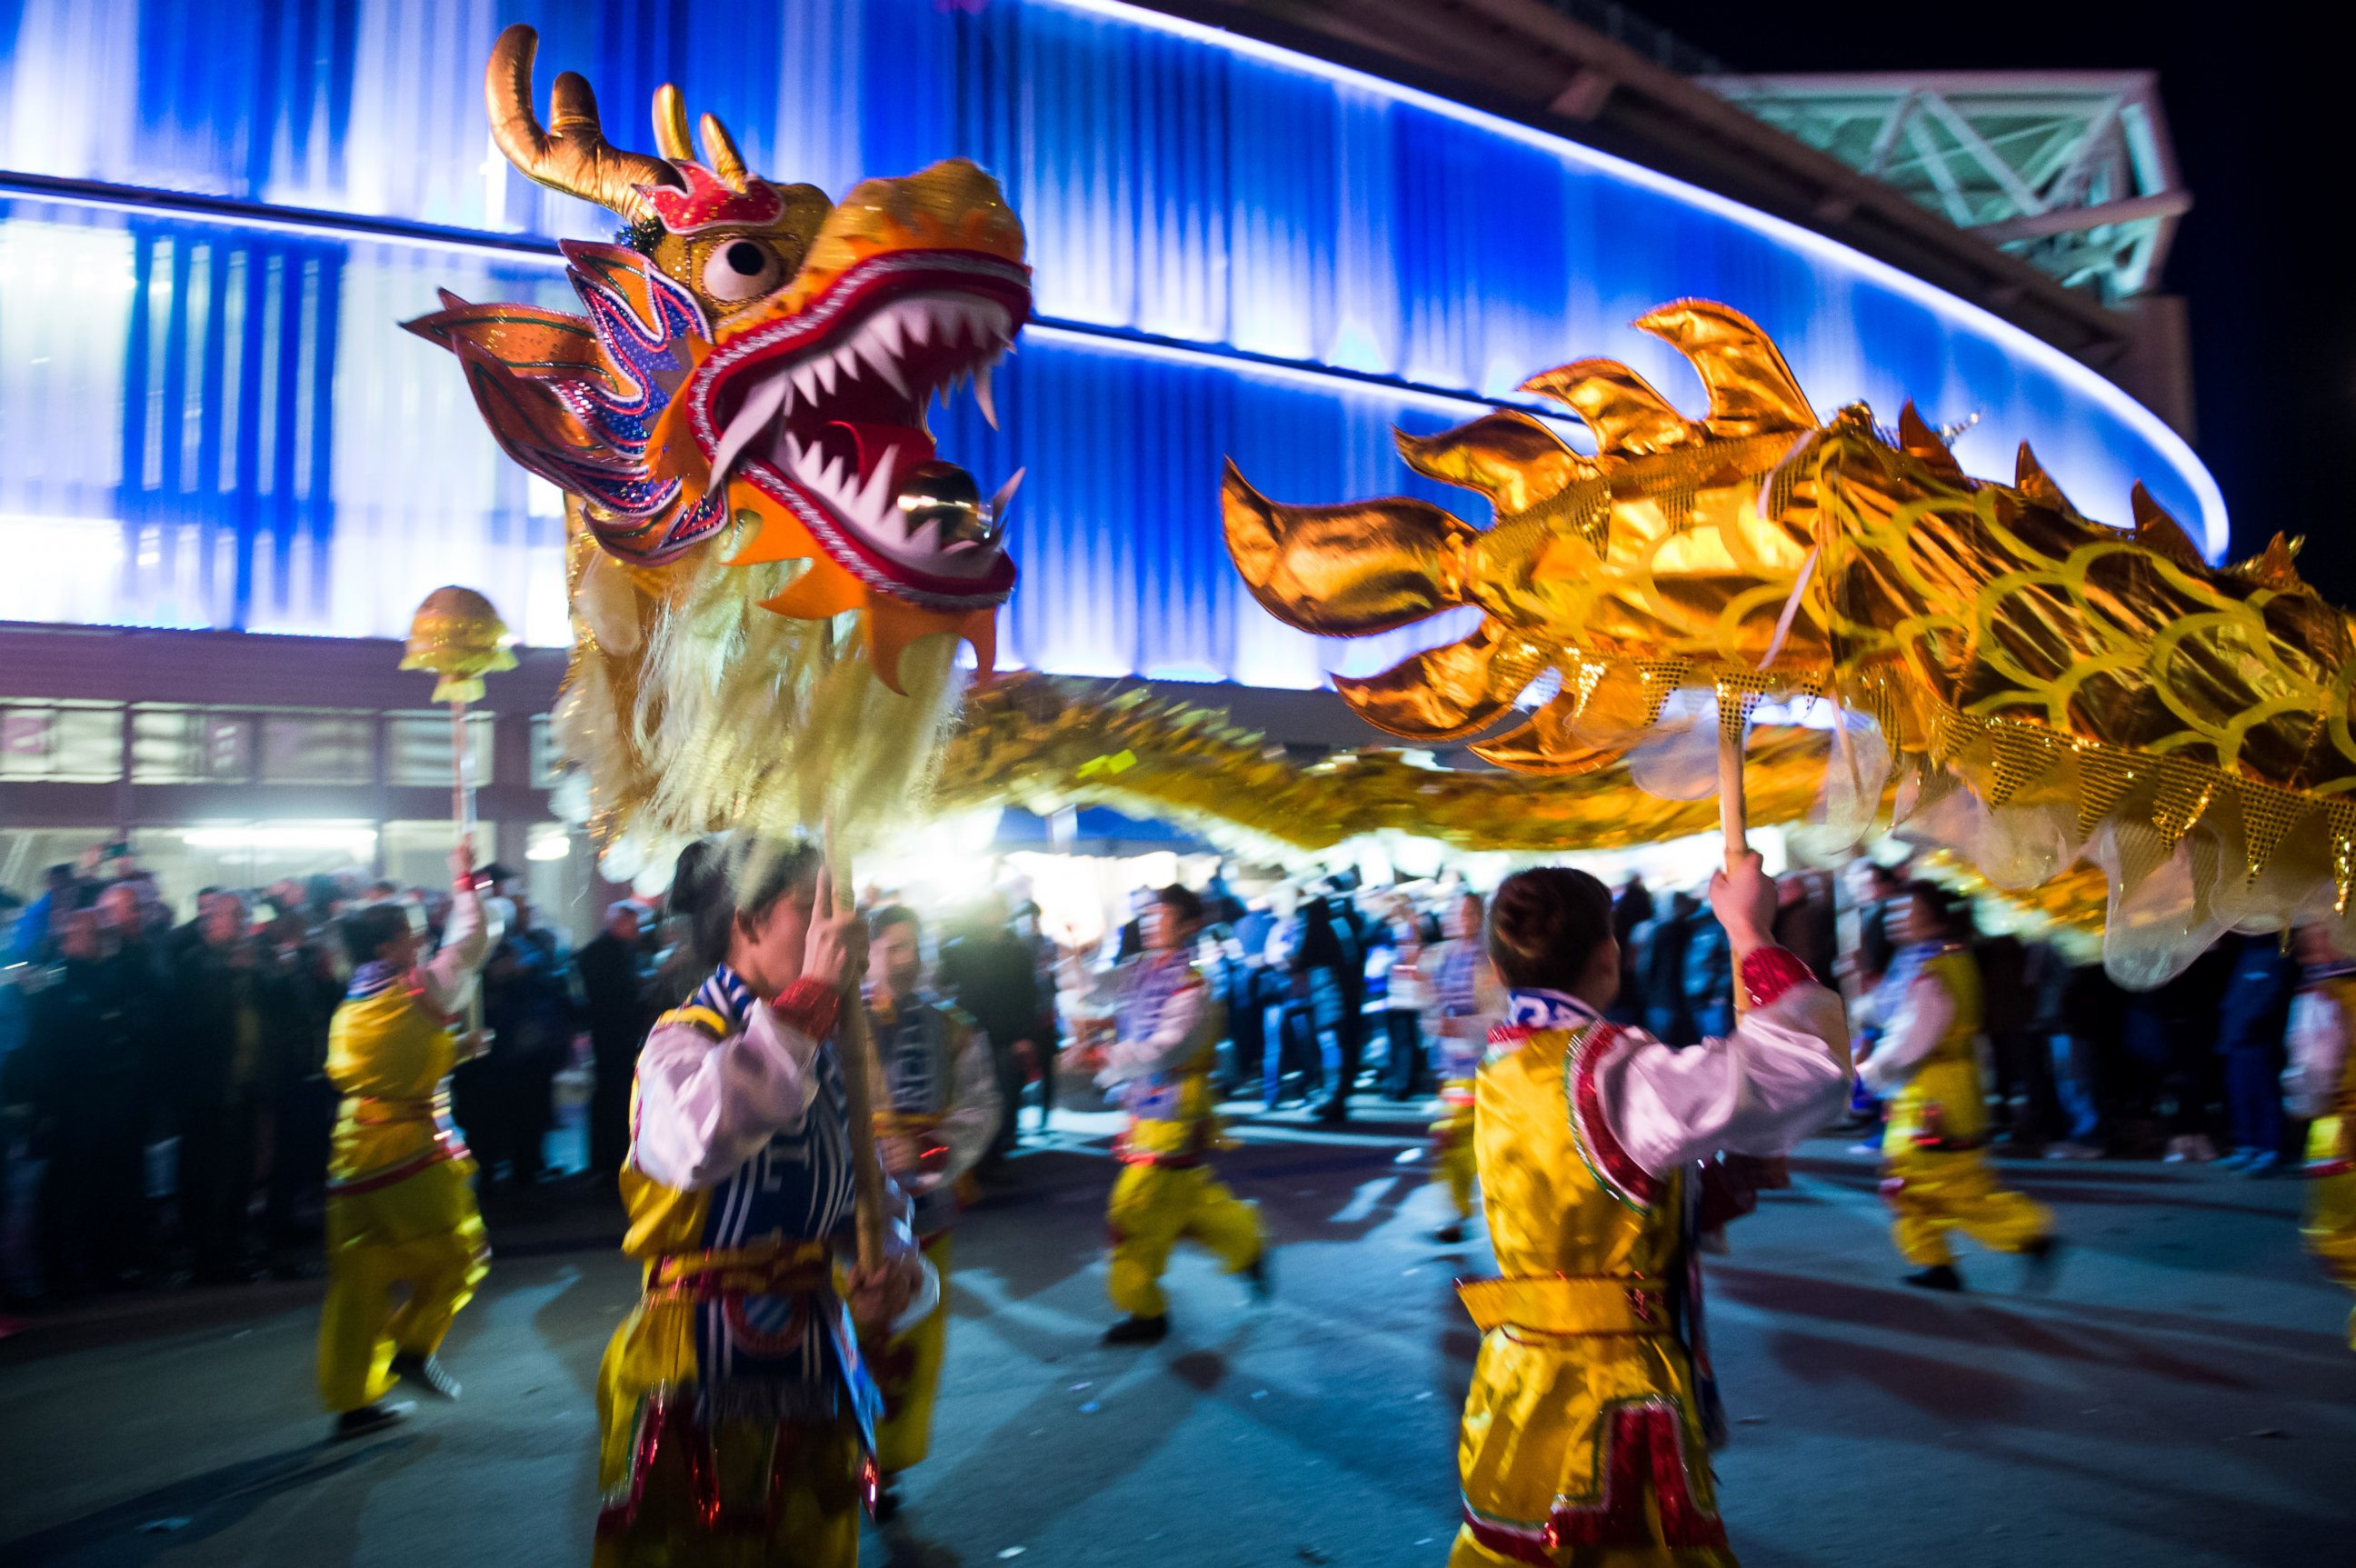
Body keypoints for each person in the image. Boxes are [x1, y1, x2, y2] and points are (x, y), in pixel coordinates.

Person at [1450, 856, 1851, 1568]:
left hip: (1516, 1382)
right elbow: (1804, 1067)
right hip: (1608, 1392)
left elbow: (1592, 1196)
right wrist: (1752, 932)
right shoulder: (1612, 1069)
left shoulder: (1501, 1065)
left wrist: (1715, 1182)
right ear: (1610, 956)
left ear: (1499, 964)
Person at [594, 837, 920, 1568]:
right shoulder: (679, 1043)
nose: (843, 930)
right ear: (746, 923)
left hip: (814, 1361)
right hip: (699, 1372)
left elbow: (866, 1190)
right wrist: (806, 1011)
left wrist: (891, 1255)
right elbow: (701, 1140)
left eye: (846, 910)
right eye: (814, 910)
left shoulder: (823, 1049)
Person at [316, 846, 496, 1438]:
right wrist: (466, 877)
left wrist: (452, 1050)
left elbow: (390, 1062)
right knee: (459, 1255)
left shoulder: (353, 1006)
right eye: (412, 934)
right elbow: (472, 940)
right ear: (386, 946)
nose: (422, 941)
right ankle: (414, 1347)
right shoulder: (420, 992)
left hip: (352, 1153)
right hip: (409, 1155)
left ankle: (354, 1398)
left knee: (359, 1278)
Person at [861, 904, 1001, 1519]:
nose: (904, 957)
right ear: (866, 952)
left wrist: (929, 1151)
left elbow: (979, 1110)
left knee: (911, 1348)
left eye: (912, 946)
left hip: (927, 1206)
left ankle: (885, 1468)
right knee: (843, 1342)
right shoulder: (827, 1021)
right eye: (891, 946)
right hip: (847, 1217)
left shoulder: (955, 1028)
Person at [1859, 882, 2057, 1292]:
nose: (1895, 919)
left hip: (1935, 1097)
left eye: (1905, 910)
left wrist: (1866, 1075)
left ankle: (2026, 1235)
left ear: (1933, 915)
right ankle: (1937, 1261)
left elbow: (1914, 1039)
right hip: (1932, 1090)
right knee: (1912, 1185)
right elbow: (1892, 1015)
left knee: (1946, 1187)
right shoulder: (1937, 958)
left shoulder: (1933, 968)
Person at [1097, 884, 1270, 1344]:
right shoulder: (1138, 971)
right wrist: (1074, 967)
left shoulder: (1191, 984)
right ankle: (1245, 1241)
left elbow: (1167, 1047)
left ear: (1190, 924)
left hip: (1175, 1111)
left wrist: (1106, 1057)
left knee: (1132, 1210)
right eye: (1149, 913)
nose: (1152, 921)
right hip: (1145, 1109)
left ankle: (1145, 1308)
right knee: (1186, 1203)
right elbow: (1094, 995)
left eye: (1163, 914)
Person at [2283, 924, 2356, 1350]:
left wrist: (2304, 1107)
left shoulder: (2324, 997)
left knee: (2340, 1235)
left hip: (2343, 1128)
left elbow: (2313, 1075)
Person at [936, 893, 1043, 1164]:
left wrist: (1024, 1035)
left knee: (1005, 1097)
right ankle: (981, 1160)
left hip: (1006, 1036)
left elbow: (1026, 996)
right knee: (973, 1100)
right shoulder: (959, 950)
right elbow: (943, 988)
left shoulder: (1016, 952)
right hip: (970, 1036)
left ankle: (996, 1153)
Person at [1423, 890, 1502, 1245]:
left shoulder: (1490, 960)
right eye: (1456, 912)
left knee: (1478, 1143)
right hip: (1454, 1070)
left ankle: (1481, 1211)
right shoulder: (1440, 956)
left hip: (1487, 1067)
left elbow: (1501, 1016)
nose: (1461, 919)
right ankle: (1457, 1211)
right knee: (1452, 1138)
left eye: (1469, 912)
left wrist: (1463, 1027)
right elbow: (1429, 1011)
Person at [577, 899, 654, 1183]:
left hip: (615, 1033)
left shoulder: (617, 951)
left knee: (615, 1094)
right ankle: (609, 1160)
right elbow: (614, 993)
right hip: (612, 1034)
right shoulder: (603, 954)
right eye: (634, 925)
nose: (638, 931)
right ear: (619, 923)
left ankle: (611, 1158)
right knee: (613, 1094)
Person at [2215, 933, 2298, 1175]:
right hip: (2238, 1038)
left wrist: (2250, 1025)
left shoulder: (2276, 953)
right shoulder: (2248, 952)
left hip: (2257, 1040)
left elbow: (2271, 995)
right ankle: (2248, 1145)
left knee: (2263, 1094)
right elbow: (2236, 998)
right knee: (2240, 1094)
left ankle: (2270, 1149)